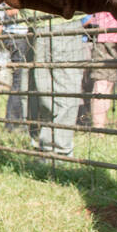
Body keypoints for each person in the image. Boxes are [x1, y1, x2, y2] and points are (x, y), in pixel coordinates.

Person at [28, 17, 84, 156]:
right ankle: (47, 147)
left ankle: (61, 151)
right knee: (43, 89)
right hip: (38, 24)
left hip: (64, 20)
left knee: (66, 88)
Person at [84, 11, 117, 129]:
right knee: (105, 83)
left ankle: (99, 129)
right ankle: (101, 129)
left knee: (104, 82)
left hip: (108, 27)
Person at [0, 6, 29, 130]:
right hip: (17, 34)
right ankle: (12, 122)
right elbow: (10, 10)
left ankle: (16, 120)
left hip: (19, 34)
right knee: (19, 80)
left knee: (21, 79)